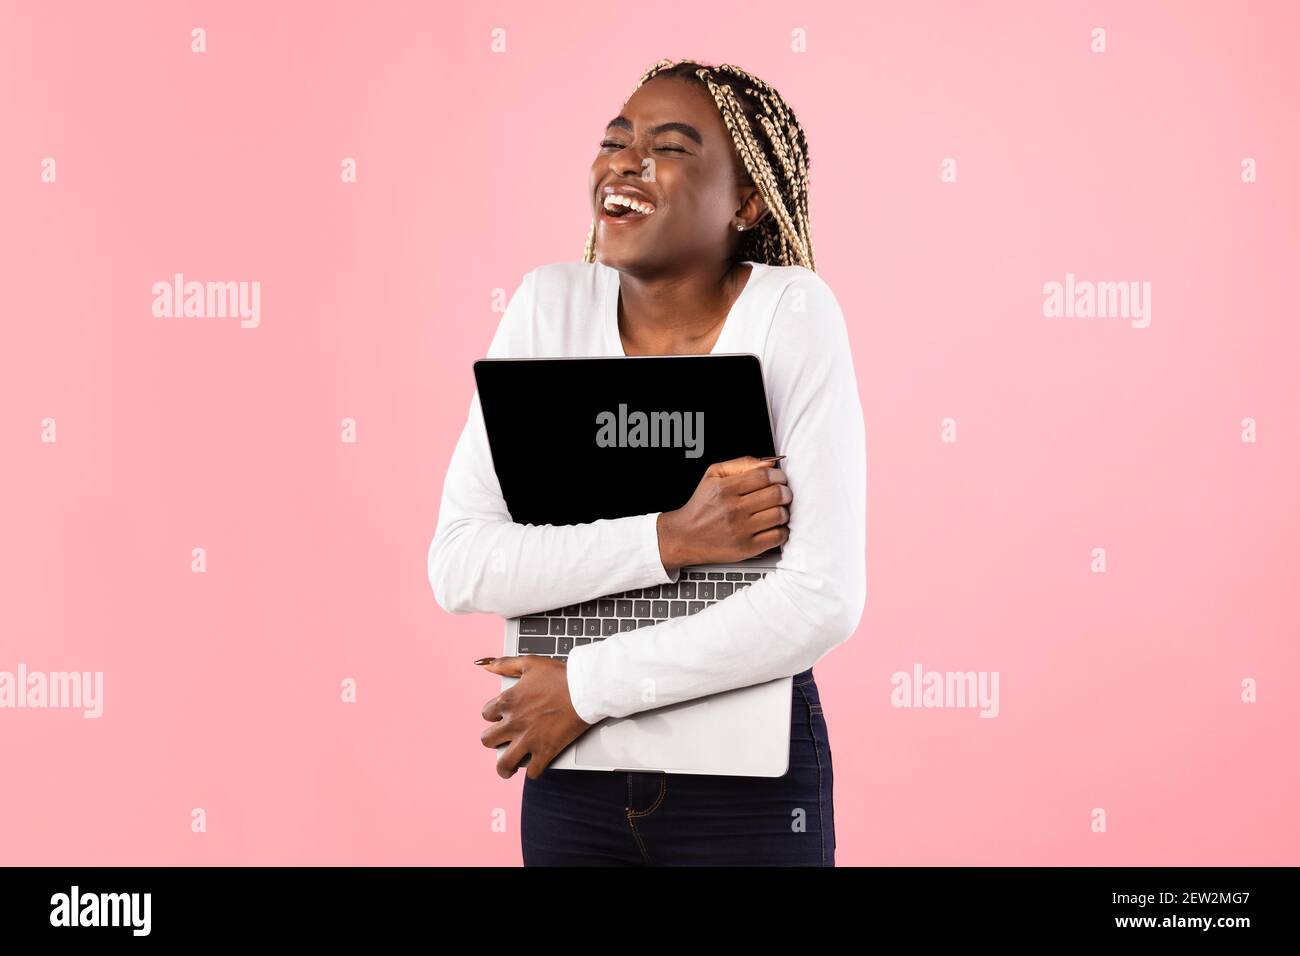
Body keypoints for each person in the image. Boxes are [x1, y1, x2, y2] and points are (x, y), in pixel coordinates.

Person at [428, 58, 866, 866]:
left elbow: (823, 598)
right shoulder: (546, 307)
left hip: (745, 787)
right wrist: (671, 540)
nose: (625, 161)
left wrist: (584, 689)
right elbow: (461, 564)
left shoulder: (792, 313)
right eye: (613, 140)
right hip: (571, 779)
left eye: (669, 146)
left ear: (746, 200)